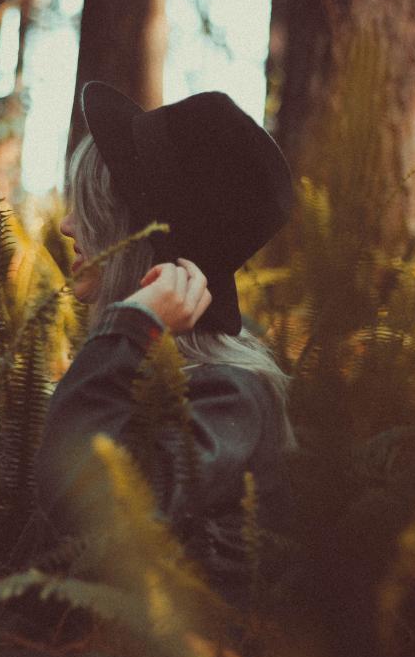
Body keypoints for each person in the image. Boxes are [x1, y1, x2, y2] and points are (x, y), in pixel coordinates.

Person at [31, 81, 296, 599]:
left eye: (86, 211)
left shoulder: (229, 397)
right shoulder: (148, 368)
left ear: (136, 240)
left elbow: (82, 506)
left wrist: (130, 325)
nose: (65, 227)